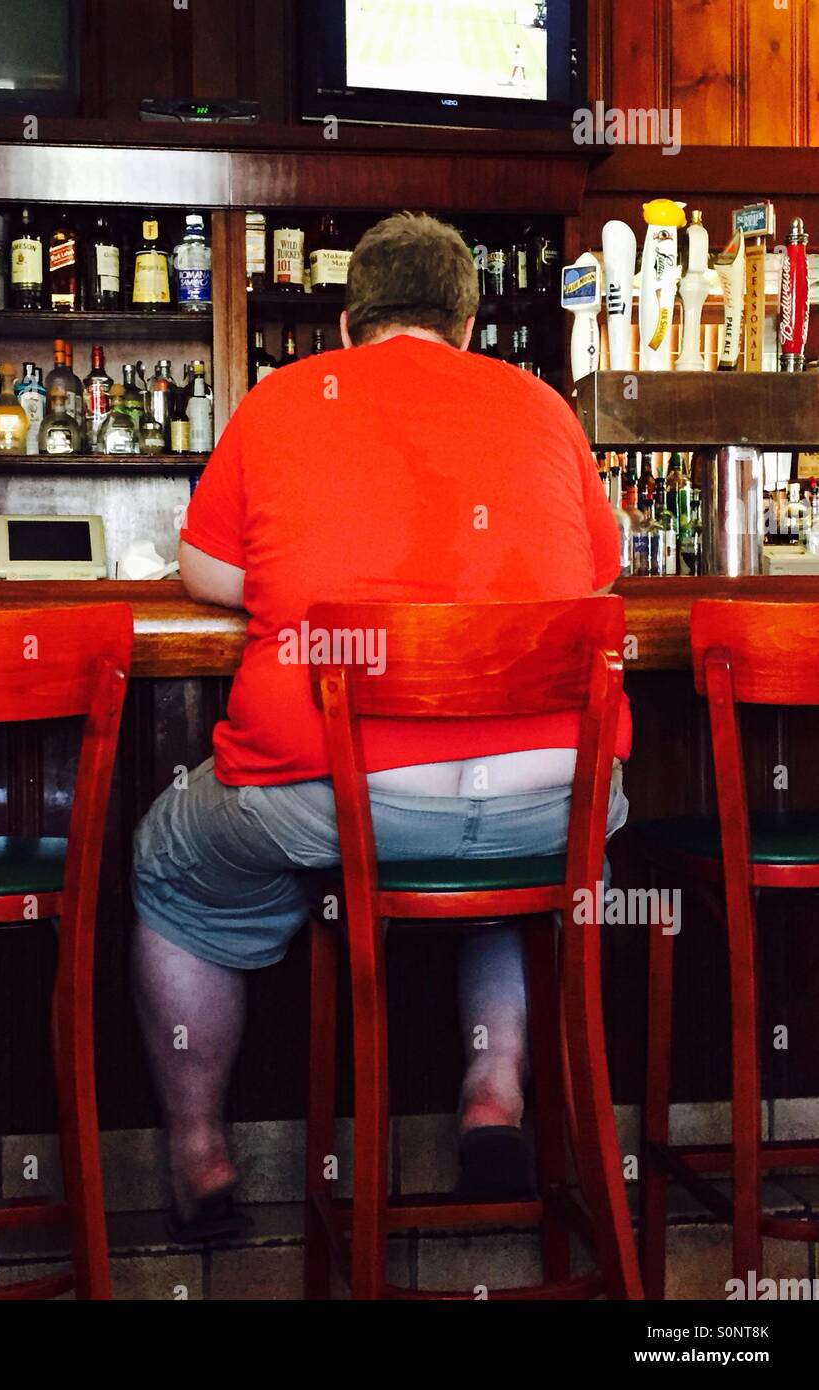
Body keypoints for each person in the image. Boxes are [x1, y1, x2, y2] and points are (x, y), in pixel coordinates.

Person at [131, 212, 630, 1240]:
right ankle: (491, 1093)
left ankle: (202, 1158)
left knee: (169, 865)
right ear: (469, 322)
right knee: (500, 887)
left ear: (346, 323)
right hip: (554, 795)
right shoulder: (540, 404)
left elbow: (205, 571)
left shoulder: (282, 398)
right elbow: (597, 570)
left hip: (336, 793)